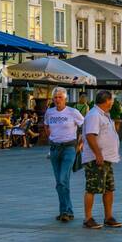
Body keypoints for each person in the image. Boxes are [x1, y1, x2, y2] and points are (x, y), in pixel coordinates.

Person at [41, 87, 84, 223]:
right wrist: (52, 137)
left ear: (65, 98)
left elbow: (85, 125)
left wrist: (80, 144)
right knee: (60, 182)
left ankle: (66, 211)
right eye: (55, 97)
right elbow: (46, 126)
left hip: (69, 148)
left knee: (62, 179)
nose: (57, 100)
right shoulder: (50, 112)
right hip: (55, 149)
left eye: (60, 97)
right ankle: (65, 211)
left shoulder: (73, 112)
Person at [82, 90, 122, 229]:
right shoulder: (94, 115)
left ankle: (108, 217)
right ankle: (88, 218)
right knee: (92, 188)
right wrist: (98, 154)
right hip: (96, 158)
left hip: (107, 159)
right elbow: (90, 135)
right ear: (107, 101)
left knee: (109, 188)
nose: (113, 103)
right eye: (112, 100)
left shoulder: (104, 115)